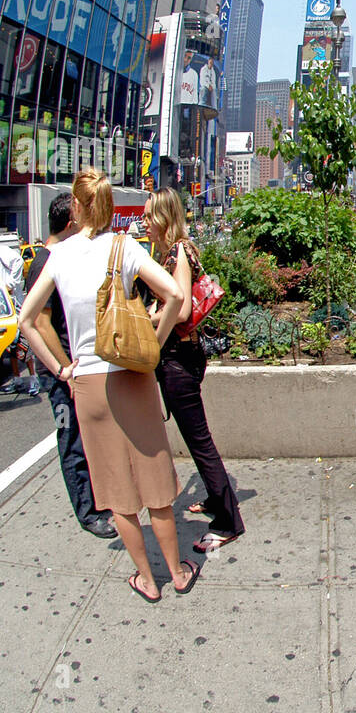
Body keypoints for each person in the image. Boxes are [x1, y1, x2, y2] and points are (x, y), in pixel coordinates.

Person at [18, 170, 199, 602]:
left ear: (76, 208)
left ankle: (146, 580)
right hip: (131, 376)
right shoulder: (125, 247)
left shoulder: (57, 257)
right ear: (110, 208)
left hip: (88, 384)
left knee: (116, 489)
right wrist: (151, 349)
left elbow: (26, 321)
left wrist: (62, 369)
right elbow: (175, 296)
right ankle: (176, 571)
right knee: (155, 478)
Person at [142, 188, 245, 553]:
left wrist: (145, 317)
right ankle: (217, 502)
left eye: (149, 215)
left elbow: (181, 312)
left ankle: (229, 521)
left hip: (178, 360)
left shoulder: (178, 253)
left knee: (200, 445)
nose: (144, 222)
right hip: (181, 358)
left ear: (164, 217)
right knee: (196, 441)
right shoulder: (176, 250)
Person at [24, 193, 117, 540]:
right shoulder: (45, 261)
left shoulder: (60, 257)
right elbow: (40, 323)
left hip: (72, 368)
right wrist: (67, 369)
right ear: (70, 223)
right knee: (71, 438)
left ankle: (98, 499)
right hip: (59, 374)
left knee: (87, 436)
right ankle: (87, 510)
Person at [0, 233, 39, 395]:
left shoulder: (1, 252)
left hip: (15, 308)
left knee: (24, 345)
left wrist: (11, 284)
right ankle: (17, 380)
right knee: (10, 347)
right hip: (2, 312)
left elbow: (18, 261)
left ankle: (33, 380)